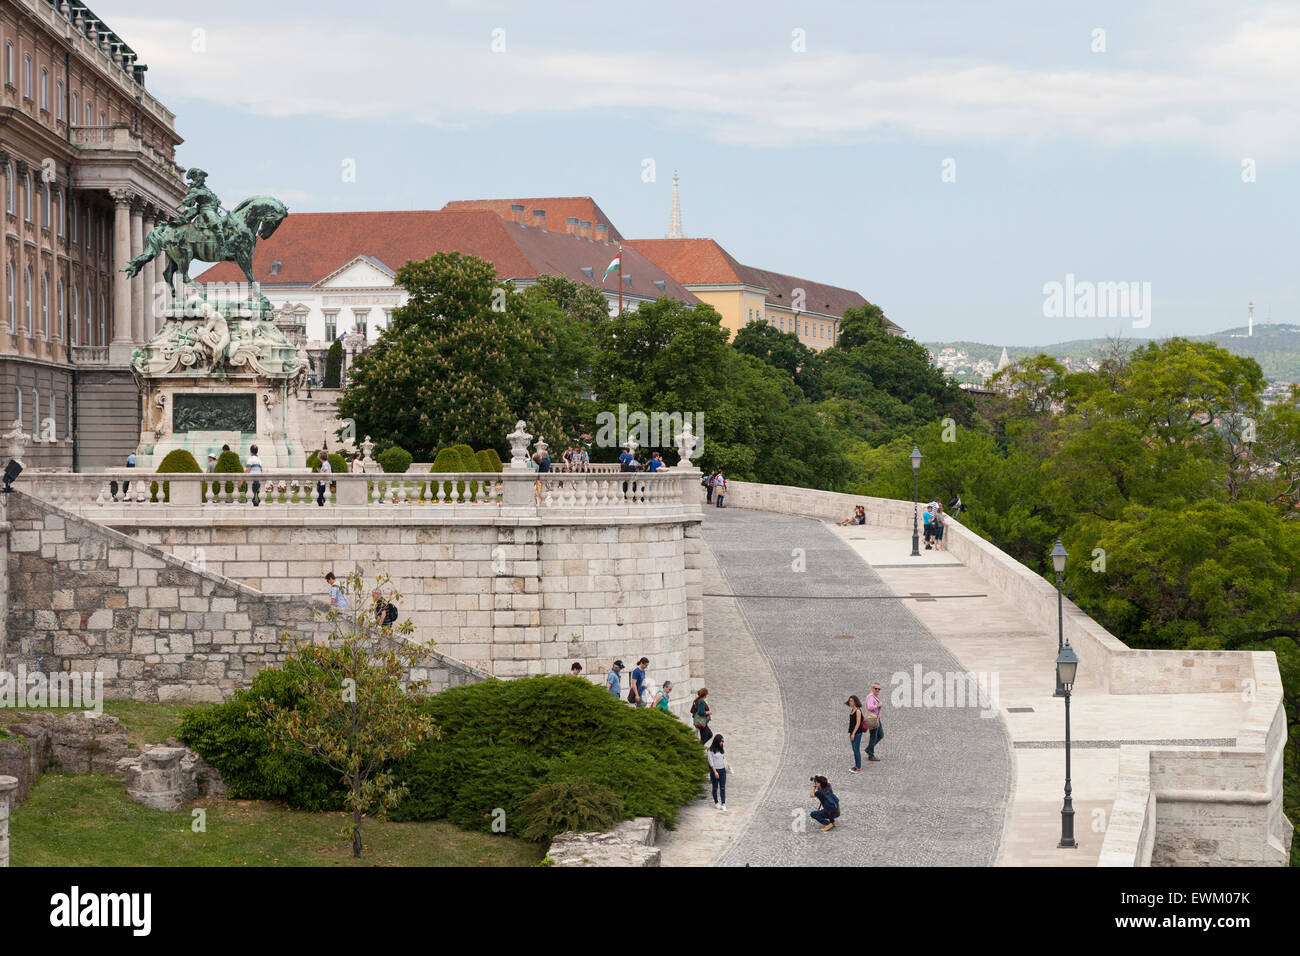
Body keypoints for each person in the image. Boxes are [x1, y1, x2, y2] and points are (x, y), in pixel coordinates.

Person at [707, 736, 731, 811]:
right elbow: (711, 763)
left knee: (723, 787)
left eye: (723, 741)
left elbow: (723, 757)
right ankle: (716, 802)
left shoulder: (722, 749)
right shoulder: (710, 750)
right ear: (717, 741)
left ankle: (723, 803)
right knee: (715, 787)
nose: (722, 743)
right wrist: (715, 772)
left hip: (722, 770)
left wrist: (727, 763)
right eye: (721, 741)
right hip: (715, 771)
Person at [865, 682, 884, 762]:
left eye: (879, 689)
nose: (877, 690)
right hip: (873, 719)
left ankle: (869, 748)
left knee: (880, 735)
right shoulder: (871, 697)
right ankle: (871, 755)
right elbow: (869, 707)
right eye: (876, 688)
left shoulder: (874, 697)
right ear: (872, 689)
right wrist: (878, 705)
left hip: (876, 719)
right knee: (873, 736)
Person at [847, 695, 866, 773]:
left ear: (855, 701)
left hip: (857, 733)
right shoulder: (852, 710)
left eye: (851, 701)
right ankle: (856, 765)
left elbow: (858, 723)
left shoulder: (858, 710)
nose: (850, 702)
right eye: (849, 700)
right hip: (852, 732)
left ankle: (858, 767)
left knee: (856, 749)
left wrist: (853, 733)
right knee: (854, 750)